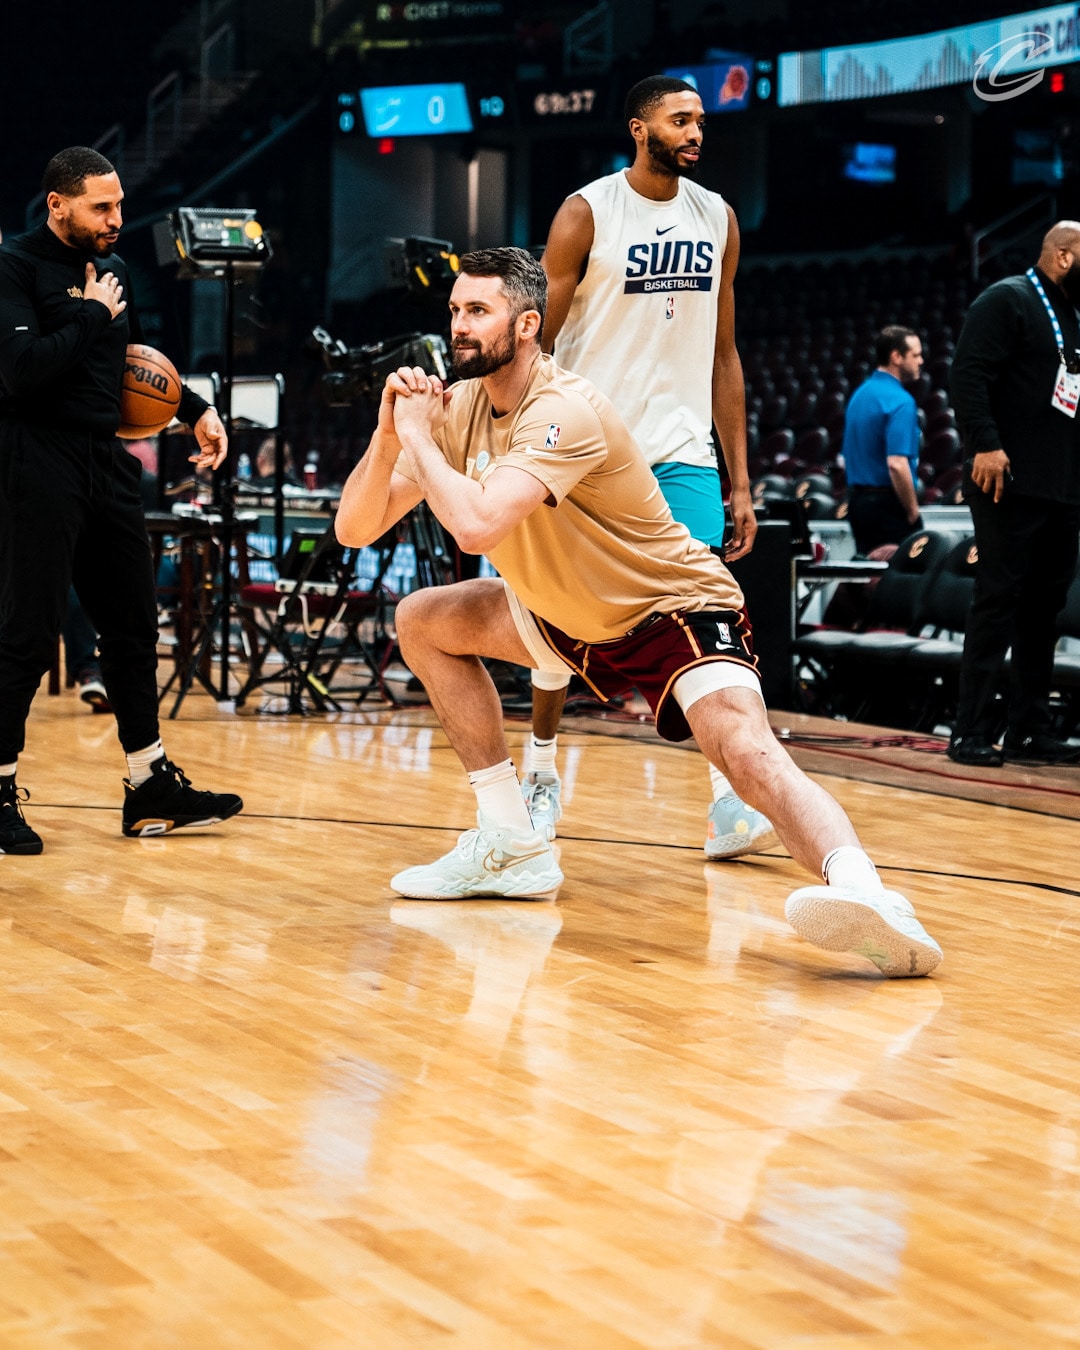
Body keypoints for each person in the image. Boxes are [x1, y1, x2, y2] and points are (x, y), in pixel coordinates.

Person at [336, 247, 943, 979]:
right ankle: (510, 844)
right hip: (566, 615)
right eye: (455, 311)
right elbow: (354, 527)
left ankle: (867, 894)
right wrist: (387, 436)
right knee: (425, 619)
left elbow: (475, 529)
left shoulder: (562, 409)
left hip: (670, 605)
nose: (457, 328)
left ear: (527, 324)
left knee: (745, 753)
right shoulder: (459, 407)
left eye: (477, 312)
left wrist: (424, 443)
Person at [523, 74, 774, 862]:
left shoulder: (718, 217)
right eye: (680, 119)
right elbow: (535, 342)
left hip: (681, 452)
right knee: (552, 619)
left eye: (701, 120)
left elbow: (725, 355)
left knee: (708, 614)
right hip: (590, 450)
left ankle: (729, 795)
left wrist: (739, 478)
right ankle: (538, 768)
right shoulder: (586, 212)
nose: (697, 132)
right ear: (639, 128)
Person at [0, 146, 244, 853]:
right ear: (58, 205)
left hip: (105, 458)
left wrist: (196, 407)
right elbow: (17, 373)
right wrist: (86, 316)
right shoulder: (14, 267)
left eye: (119, 205)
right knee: (25, 633)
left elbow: (136, 364)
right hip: (31, 455)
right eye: (101, 207)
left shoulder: (115, 271)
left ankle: (149, 785)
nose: (117, 219)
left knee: (134, 627)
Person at [947, 222, 1080, 767]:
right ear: (1065, 255)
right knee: (998, 601)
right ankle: (971, 730)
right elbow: (967, 374)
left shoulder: (1072, 315)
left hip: (1062, 488)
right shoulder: (1007, 299)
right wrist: (984, 443)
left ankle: (1030, 728)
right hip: (1006, 480)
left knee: (1043, 611)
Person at [842, 326, 925, 555]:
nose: (921, 361)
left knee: (867, 579)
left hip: (857, 503)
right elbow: (897, 464)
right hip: (887, 506)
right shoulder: (900, 401)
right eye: (915, 355)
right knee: (897, 583)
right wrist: (912, 511)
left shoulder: (859, 395)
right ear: (896, 357)